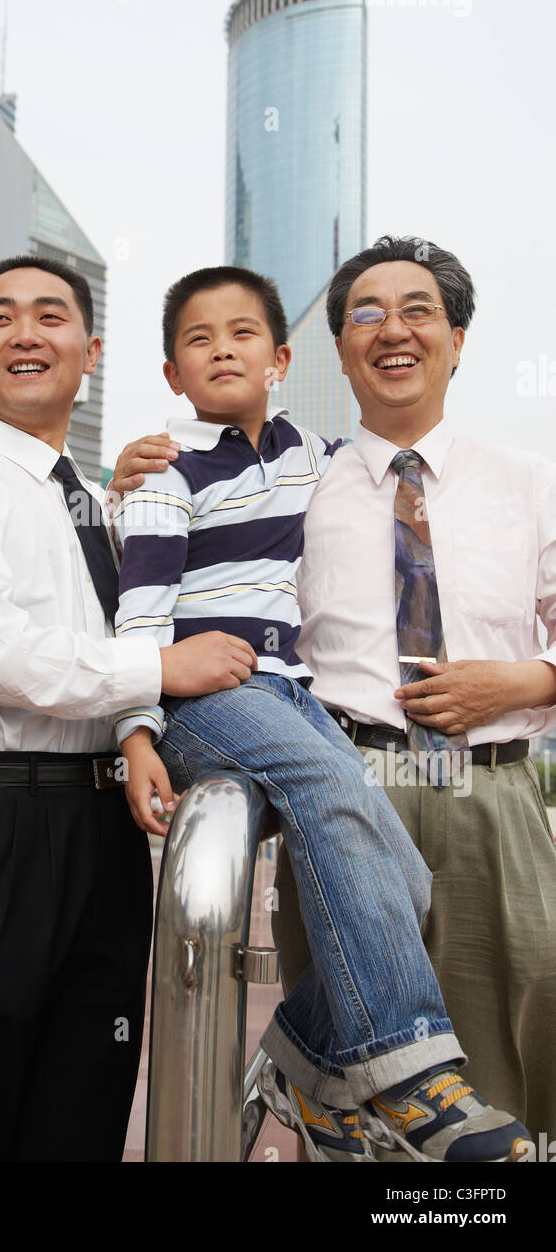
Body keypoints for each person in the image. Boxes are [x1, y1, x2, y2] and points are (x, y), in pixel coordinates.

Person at [110, 263, 530, 1163]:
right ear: (171, 374)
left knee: (403, 884)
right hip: (214, 697)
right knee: (332, 784)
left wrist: (522, 680)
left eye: (243, 334)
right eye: (198, 339)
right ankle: (411, 1078)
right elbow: (139, 610)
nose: (223, 347)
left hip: (307, 704)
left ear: (282, 357)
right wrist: (135, 729)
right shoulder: (164, 470)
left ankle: (301, 1060)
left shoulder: (318, 459)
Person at [0, 254, 261, 1162]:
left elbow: (130, 621)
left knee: (82, 1108)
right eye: (0, 318)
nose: (25, 333)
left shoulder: (105, 507)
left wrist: (137, 736)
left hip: (106, 839)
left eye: (50, 317)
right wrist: (160, 668)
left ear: (89, 353)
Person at [275, 235, 556, 1154]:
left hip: (498, 799)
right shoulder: (293, 488)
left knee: (515, 1049)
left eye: (418, 311)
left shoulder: (528, 480)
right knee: (361, 1084)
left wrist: (523, 681)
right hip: (350, 798)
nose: (392, 329)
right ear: (342, 346)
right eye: (366, 313)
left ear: (458, 340)